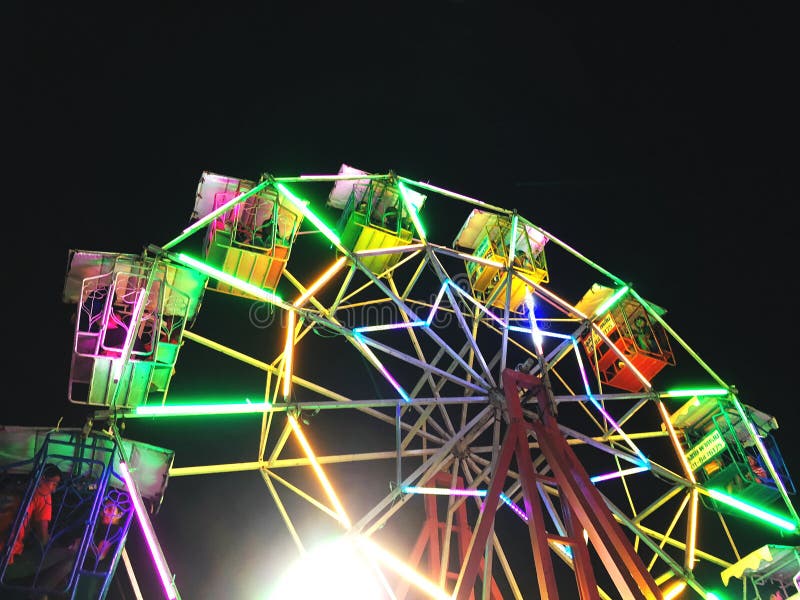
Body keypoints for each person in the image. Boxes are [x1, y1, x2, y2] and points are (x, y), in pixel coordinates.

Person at [2, 464, 75, 597]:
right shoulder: (42, 495)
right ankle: (37, 596)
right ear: (41, 479)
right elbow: (43, 538)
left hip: (7, 557)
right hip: (6, 563)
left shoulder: (13, 488)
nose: (53, 490)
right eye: (53, 484)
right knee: (71, 557)